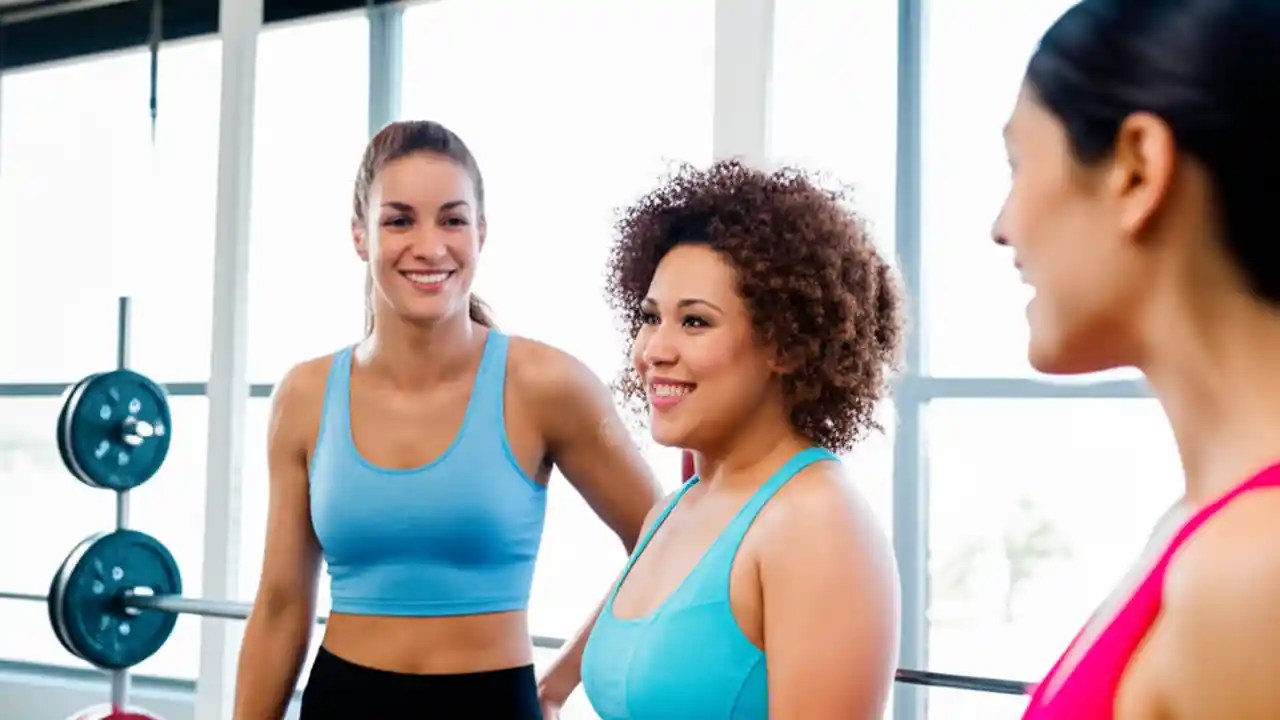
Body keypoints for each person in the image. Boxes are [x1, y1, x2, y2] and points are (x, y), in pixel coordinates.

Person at [230, 120, 664, 719]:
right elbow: (280, 604)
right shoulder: (304, 396)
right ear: (360, 234)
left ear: (481, 233)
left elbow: (665, 541)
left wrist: (561, 680)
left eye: (453, 219)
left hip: (491, 706)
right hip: (342, 704)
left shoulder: (546, 384)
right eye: (399, 219)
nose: (430, 246)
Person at [993, 2, 1280, 718]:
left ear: (1137, 167)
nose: (1001, 227)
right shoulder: (1201, 528)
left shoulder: (1253, 572)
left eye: (1018, 165)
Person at [573, 159, 904, 719]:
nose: (655, 349)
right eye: (651, 317)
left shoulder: (815, 520)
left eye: (695, 322)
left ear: (785, 344)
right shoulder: (671, 514)